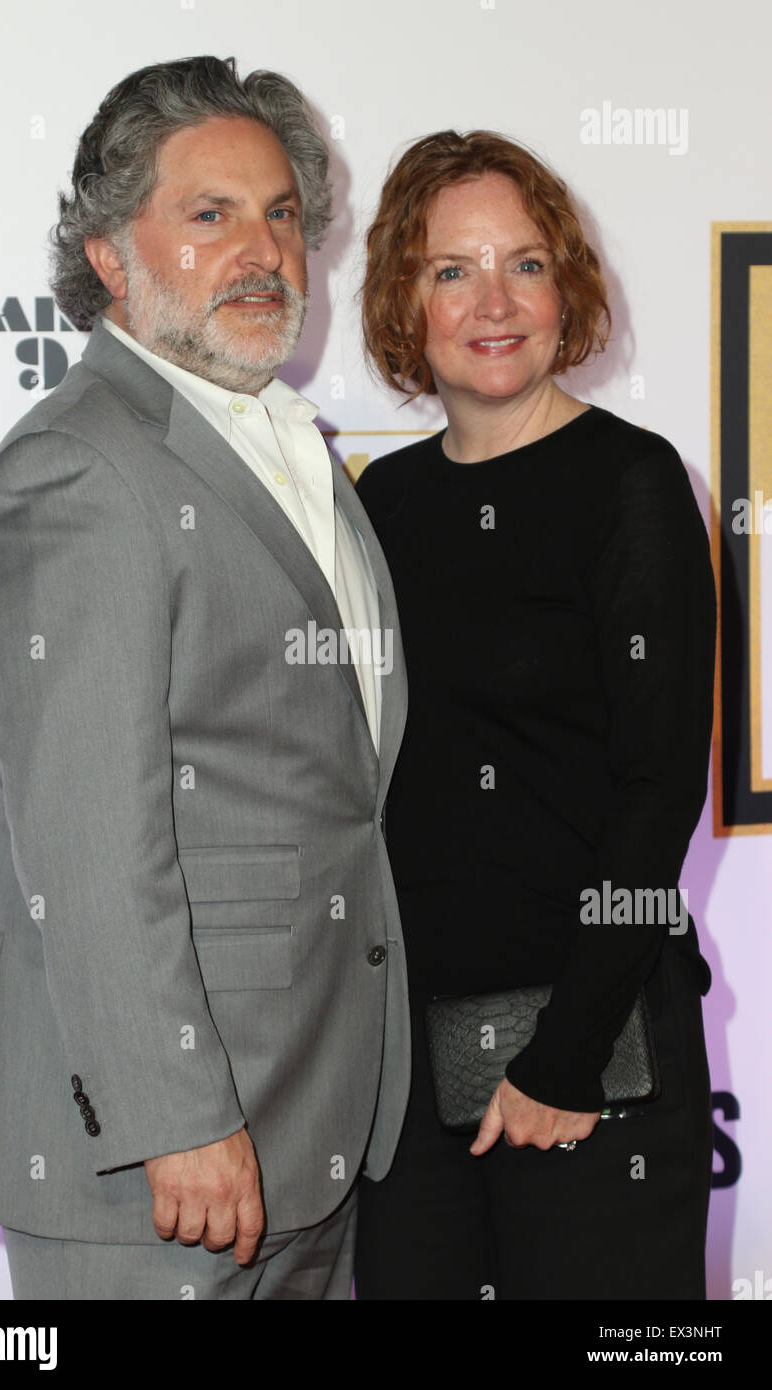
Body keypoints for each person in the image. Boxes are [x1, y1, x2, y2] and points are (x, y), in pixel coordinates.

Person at [0, 55, 411, 1301]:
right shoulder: (80, 470)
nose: (262, 251)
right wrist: (171, 1115)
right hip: (159, 1164)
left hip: (310, 1117)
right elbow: (88, 838)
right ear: (107, 252)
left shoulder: (288, 448)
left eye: (281, 215)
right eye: (209, 215)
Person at [353, 129, 717, 1300]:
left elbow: (656, 791)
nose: (491, 303)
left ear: (566, 285)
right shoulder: (387, 501)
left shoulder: (631, 482)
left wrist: (560, 1062)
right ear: (405, 302)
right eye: (450, 269)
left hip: (592, 1058)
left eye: (523, 263)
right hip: (410, 1076)